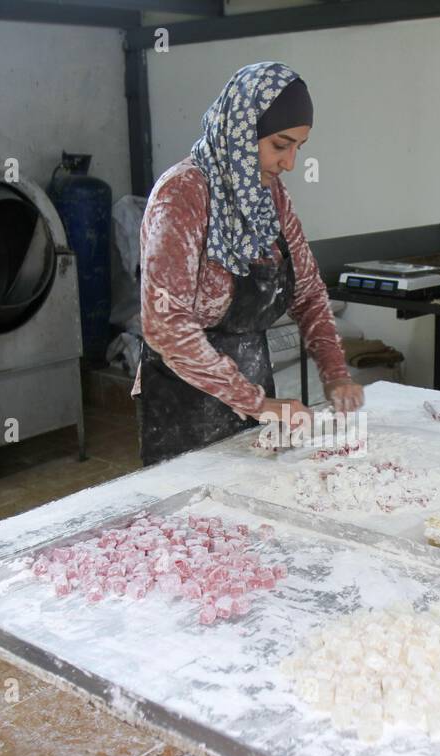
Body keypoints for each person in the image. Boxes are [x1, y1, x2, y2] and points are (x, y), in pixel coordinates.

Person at [133, 61, 364, 467]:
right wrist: (257, 402)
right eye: (280, 145)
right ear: (242, 131)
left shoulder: (268, 196)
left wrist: (335, 372)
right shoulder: (182, 195)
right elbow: (166, 325)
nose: (290, 162)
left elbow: (307, 292)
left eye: (298, 148)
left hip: (254, 390)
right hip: (183, 398)